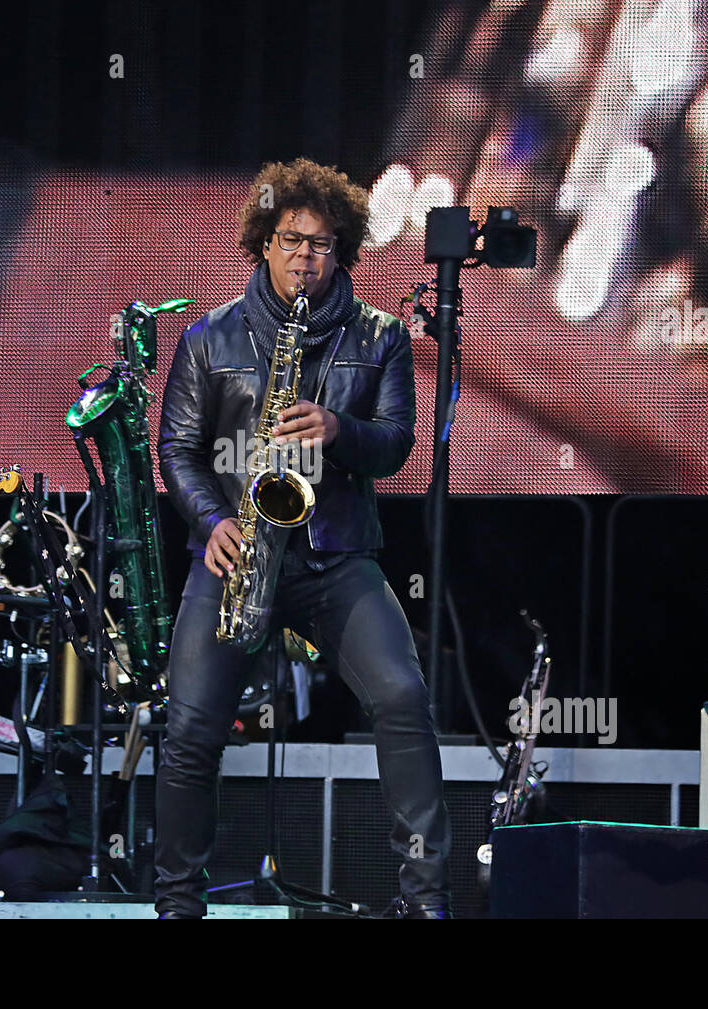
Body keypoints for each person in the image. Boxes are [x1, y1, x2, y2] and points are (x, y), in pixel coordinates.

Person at [155, 158, 451, 918]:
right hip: (236, 552)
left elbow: (393, 444)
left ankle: (424, 900)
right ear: (263, 243)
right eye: (290, 240)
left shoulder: (379, 336)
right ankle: (177, 904)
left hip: (333, 554)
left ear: (342, 251)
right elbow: (177, 450)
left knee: (403, 697)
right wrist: (213, 520)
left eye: (321, 245)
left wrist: (337, 428)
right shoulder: (208, 337)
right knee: (188, 728)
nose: (304, 258)